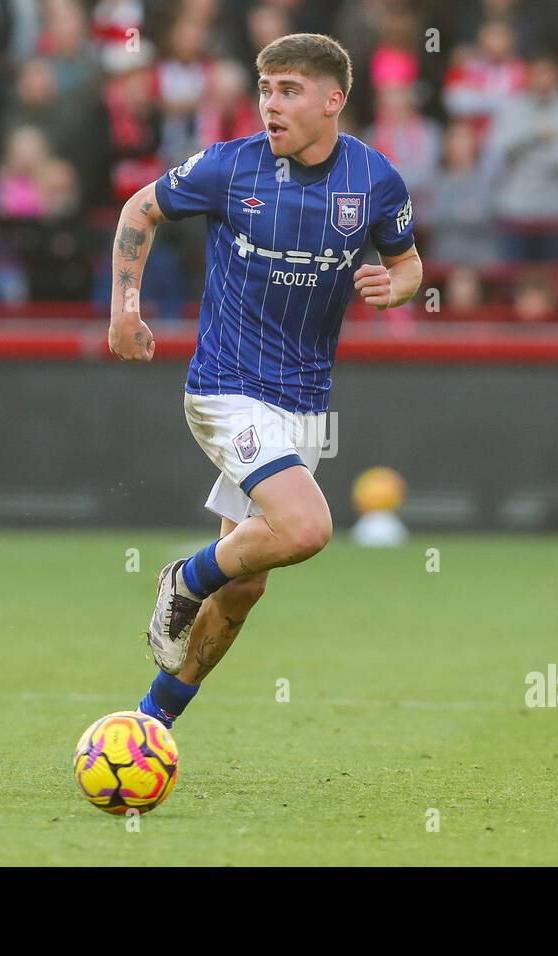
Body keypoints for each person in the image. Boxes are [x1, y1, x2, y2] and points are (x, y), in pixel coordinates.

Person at [107, 33, 422, 728]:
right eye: (266, 90)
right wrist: (124, 309)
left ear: (333, 100)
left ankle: (152, 723)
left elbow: (408, 263)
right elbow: (141, 210)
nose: (270, 106)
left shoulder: (374, 181)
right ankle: (184, 578)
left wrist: (393, 287)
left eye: (289, 91)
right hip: (226, 387)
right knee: (307, 528)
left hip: (303, 404)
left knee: (245, 586)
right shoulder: (229, 168)